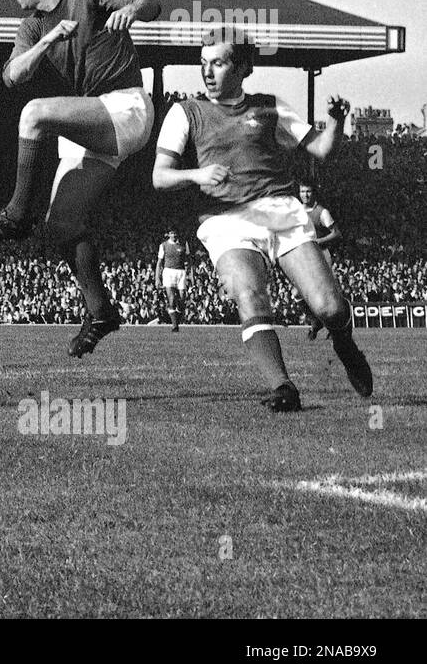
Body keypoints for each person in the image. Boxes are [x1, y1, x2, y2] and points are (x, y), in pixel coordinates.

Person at [152, 28, 372, 412]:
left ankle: (344, 340)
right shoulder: (185, 111)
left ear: (242, 68)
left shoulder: (269, 107)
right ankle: (282, 386)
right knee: (248, 294)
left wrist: (336, 121)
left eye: (218, 63)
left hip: (279, 210)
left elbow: (321, 148)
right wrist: (197, 175)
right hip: (225, 219)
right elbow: (160, 176)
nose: (207, 72)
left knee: (330, 308)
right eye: (203, 63)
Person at [0, 0, 161, 359]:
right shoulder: (32, 27)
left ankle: (15, 216)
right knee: (61, 225)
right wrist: (50, 37)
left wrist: (131, 11)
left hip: (125, 106)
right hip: (94, 116)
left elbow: (150, 1)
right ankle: (100, 310)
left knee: (34, 114)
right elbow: (13, 75)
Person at [298, 181, 342, 340]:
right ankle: (315, 320)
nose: (305, 195)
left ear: (313, 193)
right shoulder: (296, 211)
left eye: (308, 191)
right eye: (302, 191)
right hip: (305, 255)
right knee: (297, 293)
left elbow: (336, 233)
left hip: (321, 254)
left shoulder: (322, 212)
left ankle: (335, 326)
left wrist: (318, 242)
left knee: (326, 293)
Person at [155, 229, 189, 332]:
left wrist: (192, 275)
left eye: (175, 233)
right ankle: (175, 326)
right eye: (172, 233)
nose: (174, 235)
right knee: (172, 298)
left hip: (181, 272)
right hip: (168, 272)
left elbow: (189, 260)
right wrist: (157, 278)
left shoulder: (184, 244)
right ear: (169, 234)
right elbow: (159, 263)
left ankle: (175, 321)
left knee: (182, 299)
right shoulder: (164, 245)